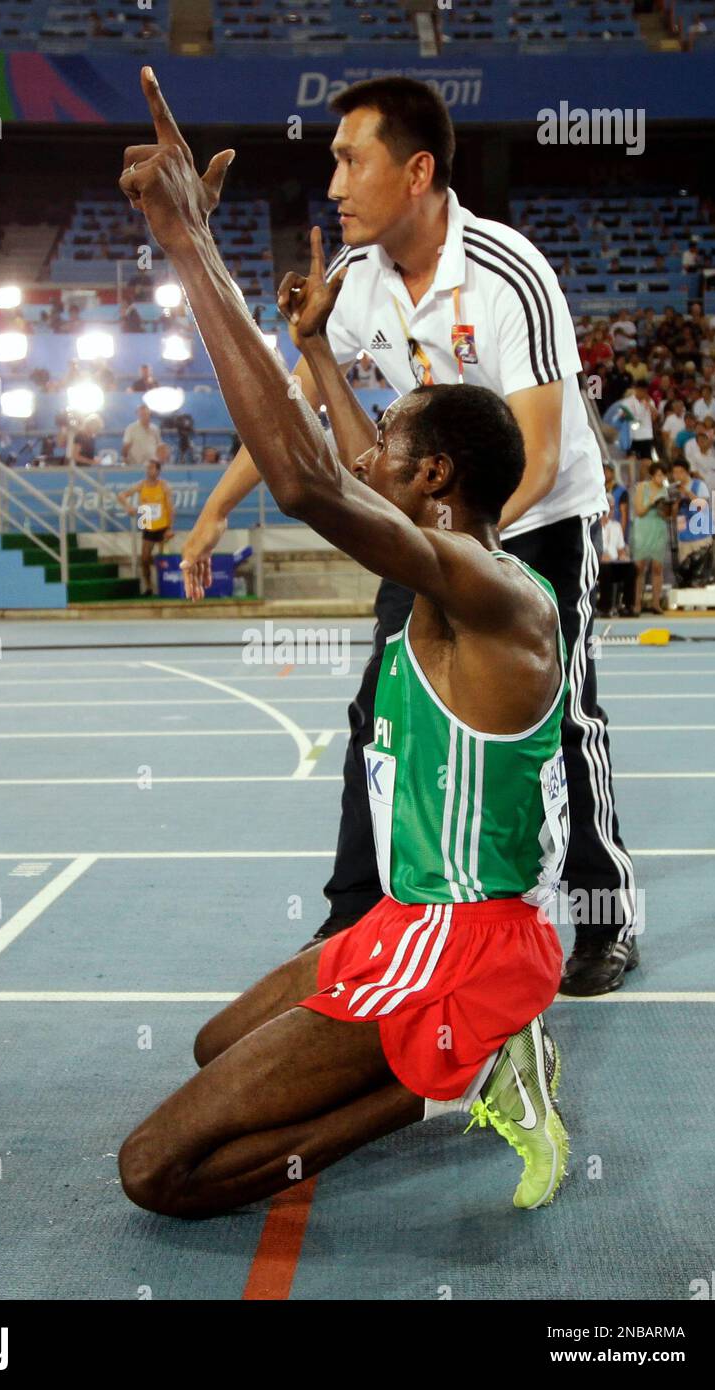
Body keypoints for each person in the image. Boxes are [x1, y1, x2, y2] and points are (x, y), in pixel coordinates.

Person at [115, 72, 569, 1218]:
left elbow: (313, 478)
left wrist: (186, 244)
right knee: (217, 1047)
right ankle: (447, 1061)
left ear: (433, 482)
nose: (363, 450)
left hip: (463, 943)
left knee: (157, 1173)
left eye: (388, 447)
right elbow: (345, 458)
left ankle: (452, 1077)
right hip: (398, 923)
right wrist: (312, 349)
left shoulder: (491, 590)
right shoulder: (439, 560)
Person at [179, 74, 637, 996]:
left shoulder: (510, 273)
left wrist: (461, 563)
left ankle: (600, 914)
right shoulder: (353, 284)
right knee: (375, 712)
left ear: (418, 170)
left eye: (353, 160)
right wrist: (218, 505)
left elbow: (540, 454)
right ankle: (353, 913)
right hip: (429, 525)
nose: (336, 184)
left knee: (568, 713)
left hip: (539, 522)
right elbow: (296, 402)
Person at [118, 458, 176, 594]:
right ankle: (149, 586)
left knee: (163, 560)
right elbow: (121, 495)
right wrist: (129, 507)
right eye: (147, 468)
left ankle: (165, 587)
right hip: (147, 526)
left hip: (162, 527)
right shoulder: (141, 485)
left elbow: (171, 508)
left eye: (151, 468)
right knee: (144, 559)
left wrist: (170, 528)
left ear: (158, 470)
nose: (149, 471)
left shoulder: (164, 486)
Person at [631, 462, 670, 615]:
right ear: (653, 475)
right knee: (639, 567)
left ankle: (655, 603)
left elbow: (666, 515)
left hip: (658, 528)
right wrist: (652, 502)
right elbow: (639, 510)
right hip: (643, 528)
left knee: (657, 567)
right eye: (659, 474)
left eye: (663, 475)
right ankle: (636, 604)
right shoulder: (642, 487)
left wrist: (664, 507)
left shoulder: (665, 491)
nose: (661, 478)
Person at [597, 495, 634, 617]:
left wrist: (623, 556)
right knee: (605, 569)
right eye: (609, 508)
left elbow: (621, 549)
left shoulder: (616, 526)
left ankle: (627, 606)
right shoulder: (594, 527)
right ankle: (604, 607)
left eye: (613, 508)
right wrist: (600, 556)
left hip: (613, 563)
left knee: (631, 568)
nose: (611, 511)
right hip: (597, 564)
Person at [122, 403, 161, 467]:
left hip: (152, 465)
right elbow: (126, 446)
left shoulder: (155, 429)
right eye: (142, 414)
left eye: (146, 414)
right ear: (138, 415)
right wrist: (125, 460)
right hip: (135, 465)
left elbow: (158, 445)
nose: (145, 416)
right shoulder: (131, 428)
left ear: (149, 414)